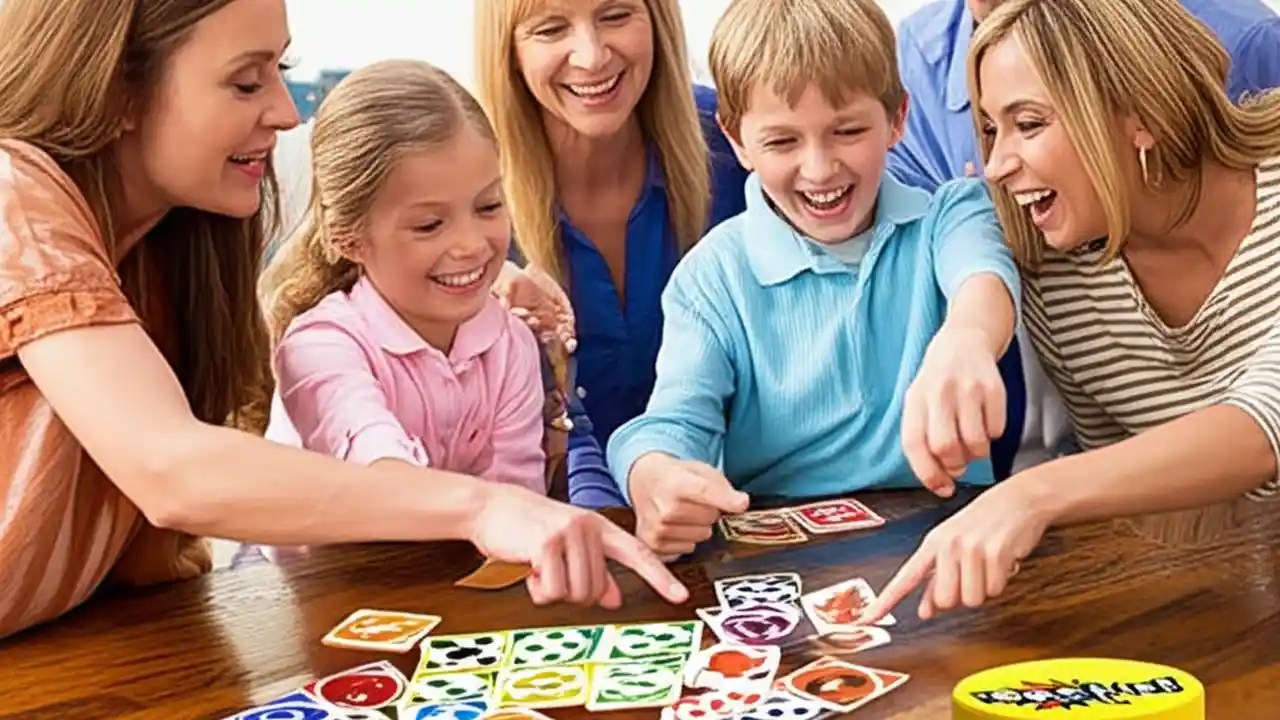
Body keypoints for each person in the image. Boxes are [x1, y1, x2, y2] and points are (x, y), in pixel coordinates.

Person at [0, 0, 685, 640]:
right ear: (119, 90)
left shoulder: (173, 247)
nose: (285, 113)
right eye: (245, 83)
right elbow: (169, 471)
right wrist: (481, 508)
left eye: (281, 71)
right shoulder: (14, 192)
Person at [863, 0, 1280, 625]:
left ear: (1141, 113)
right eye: (990, 130)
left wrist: (1031, 495)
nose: (999, 165)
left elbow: (1264, 424)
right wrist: (966, 335)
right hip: (1227, 612)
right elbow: (1132, 509)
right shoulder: (1056, 275)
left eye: (1027, 123)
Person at [606, 0, 1023, 559]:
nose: (820, 168)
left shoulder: (952, 216)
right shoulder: (712, 278)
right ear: (736, 141)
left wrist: (966, 339)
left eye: (848, 130)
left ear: (898, 118)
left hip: (950, 548)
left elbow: (983, 280)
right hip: (776, 566)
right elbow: (674, 423)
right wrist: (653, 473)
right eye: (782, 142)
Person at [473, 0, 751, 472]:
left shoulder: (736, 139)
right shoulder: (464, 187)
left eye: (616, 15)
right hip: (552, 519)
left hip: (731, 505)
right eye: (550, 29)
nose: (592, 55)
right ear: (508, 51)